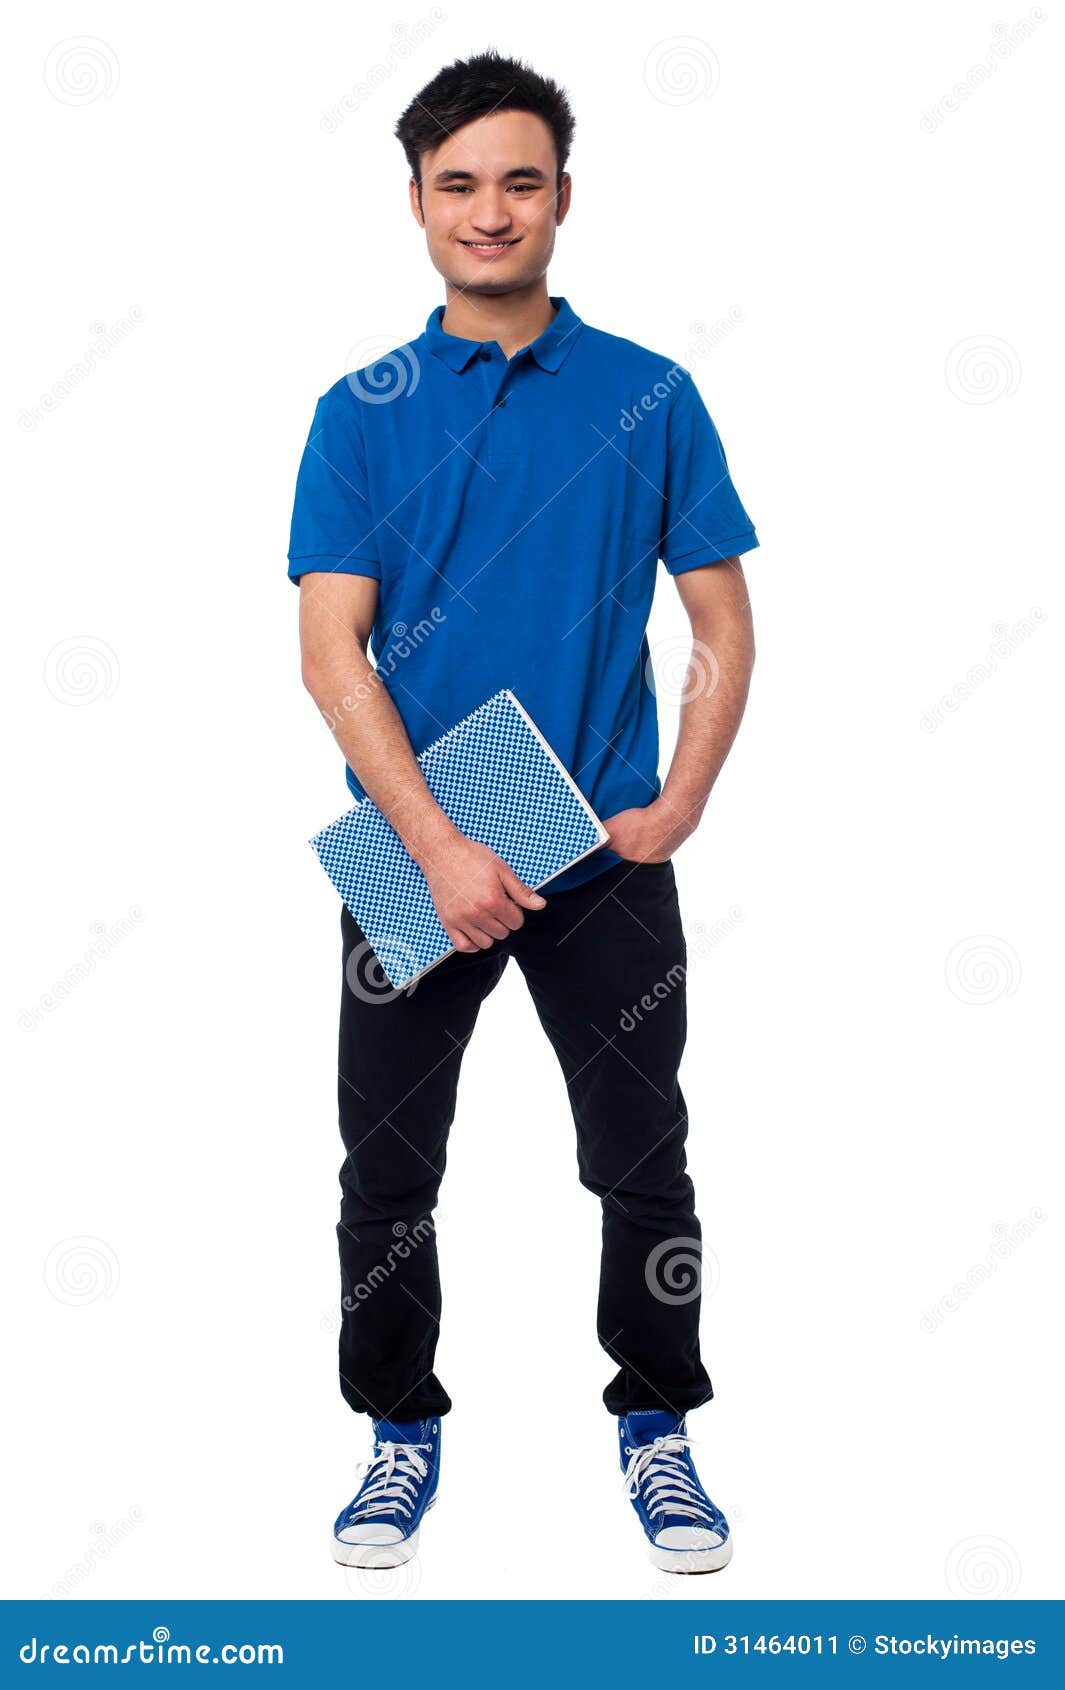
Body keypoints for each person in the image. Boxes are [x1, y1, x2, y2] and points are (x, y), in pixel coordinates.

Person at [287, 49, 759, 1575]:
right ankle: (396, 1432)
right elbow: (328, 648)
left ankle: (658, 1425)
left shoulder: (650, 395)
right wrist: (435, 842)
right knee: (387, 1167)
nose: (489, 210)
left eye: (519, 179)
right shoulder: (360, 411)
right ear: (416, 202)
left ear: (563, 194)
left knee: (643, 1157)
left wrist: (677, 800)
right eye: (457, 184)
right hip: (418, 855)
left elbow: (719, 624)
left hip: (603, 849)